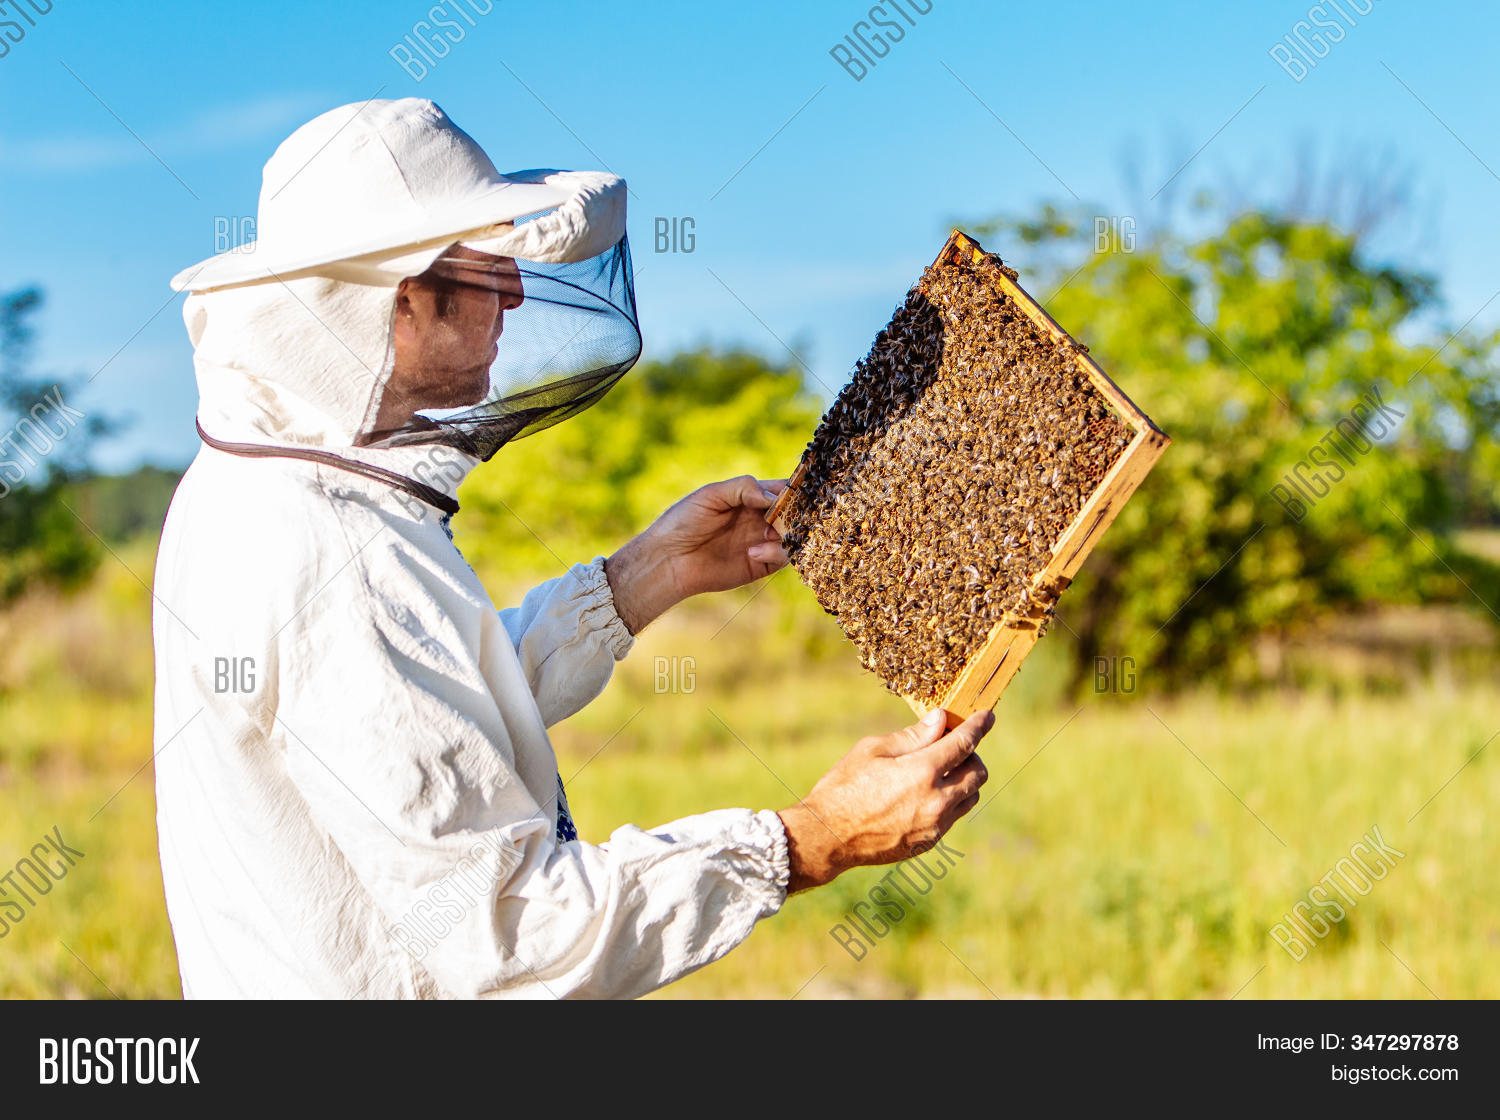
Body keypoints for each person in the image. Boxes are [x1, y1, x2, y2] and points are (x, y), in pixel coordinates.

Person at [153, 97, 992, 999]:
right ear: (401, 305)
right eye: (486, 271)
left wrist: (644, 576)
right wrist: (809, 838)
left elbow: (424, 709)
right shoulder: (333, 552)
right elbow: (509, 933)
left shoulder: (252, 488)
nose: (515, 292)